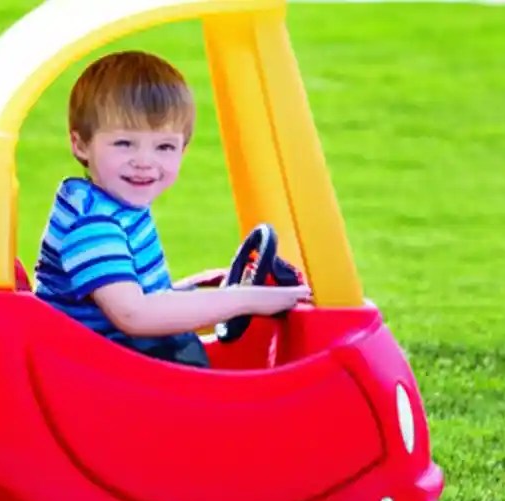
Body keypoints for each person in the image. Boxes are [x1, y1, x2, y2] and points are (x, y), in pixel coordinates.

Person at [32, 50, 309, 367]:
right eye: (124, 143)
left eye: (164, 147)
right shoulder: (93, 226)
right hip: (104, 377)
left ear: (183, 149)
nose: (144, 162)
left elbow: (133, 296)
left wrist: (195, 291)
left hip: (119, 364)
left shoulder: (115, 204)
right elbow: (133, 315)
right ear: (81, 145)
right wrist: (242, 299)